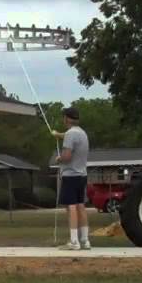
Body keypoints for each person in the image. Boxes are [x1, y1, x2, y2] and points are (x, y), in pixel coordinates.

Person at [52, 106, 90, 250]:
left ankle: (74, 242)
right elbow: (69, 137)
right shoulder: (82, 133)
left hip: (70, 176)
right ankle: (85, 240)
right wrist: (57, 134)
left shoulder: (70, 135)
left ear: (67, 119)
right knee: (81, 206)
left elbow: (67, 157)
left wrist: (58, 159)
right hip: (82, 175)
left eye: (64, 117)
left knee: (71, 207)